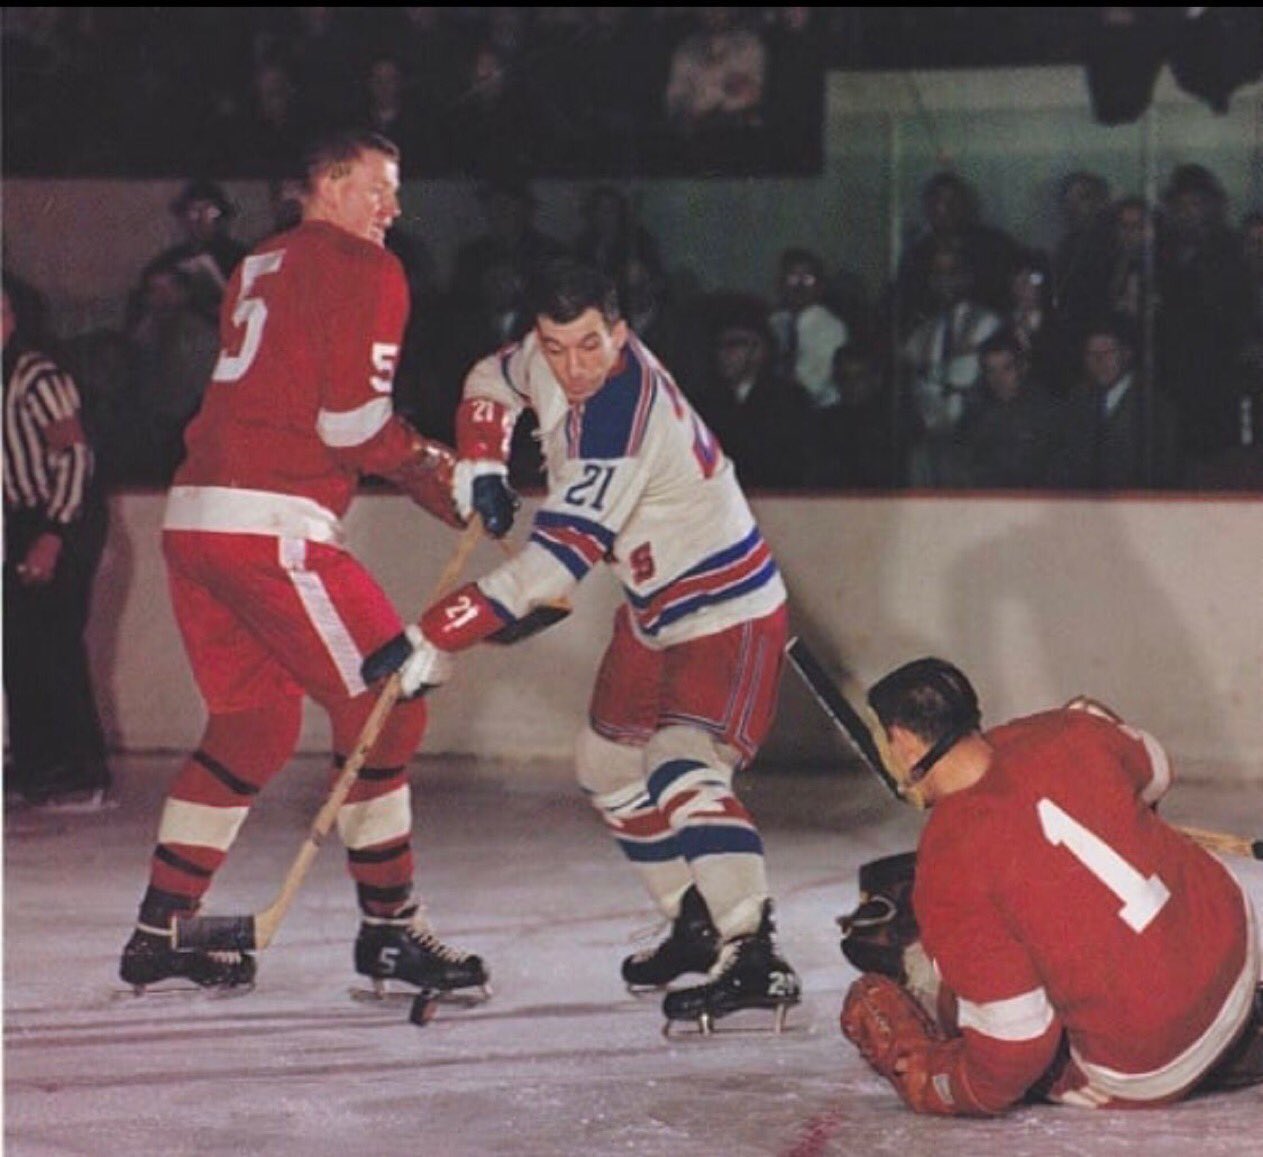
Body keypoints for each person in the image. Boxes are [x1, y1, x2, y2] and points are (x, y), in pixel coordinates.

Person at [362, 258, 802, 1033]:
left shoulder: (622, 418)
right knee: (603, 763)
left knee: (679, 762)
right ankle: (690, 918)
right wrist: (485, 462)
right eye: (556, 347)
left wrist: (434, 634)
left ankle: (752, 947)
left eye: (590, 346)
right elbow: (490, 376)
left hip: (722, 606)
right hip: (652, 607)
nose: (572, 367)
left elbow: (552, 569)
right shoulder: (547, 356)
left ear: (621, 333)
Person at [116, 130, 489, 1002]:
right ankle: (390, 931)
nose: (392, 210)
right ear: (326, 184)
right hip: (270, 522)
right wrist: (435, 466)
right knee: (388, 704)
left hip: (195, 519)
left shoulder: (261, 260)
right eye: (378, 189)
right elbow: (350, 429)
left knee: (252, 725)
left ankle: (160, 929)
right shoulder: (368, 268)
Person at [838, 657, 1263, 1115]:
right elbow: (1157, 770)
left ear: (901, 742)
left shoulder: (948, 862)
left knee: (941, 980)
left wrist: (946, 1085)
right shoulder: (1068, 729)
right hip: (1234, 952)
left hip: (1147, 1063)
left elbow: (1016, 1047)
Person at [2, 275, 115, 812]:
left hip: (63, 512)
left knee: (52, 639)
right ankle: (36, 764)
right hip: (22, 517)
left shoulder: (36, 376)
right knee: (18, 642)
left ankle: (78, 769)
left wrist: (53, 533)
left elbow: (74, 456)